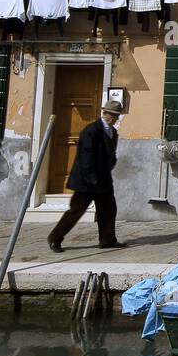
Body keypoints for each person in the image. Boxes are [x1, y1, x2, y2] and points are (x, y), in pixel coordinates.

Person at [48, 100, 127, 252]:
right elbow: (86, 156)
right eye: (113, 115)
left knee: (109, 209)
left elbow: (111, 154)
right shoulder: (91, 130)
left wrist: (111, 164)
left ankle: (107, 240)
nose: (115, 118)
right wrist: (91, 178)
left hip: (103, 180)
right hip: (86, 181)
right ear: (105, 113)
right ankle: (55, 238)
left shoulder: (113, 133)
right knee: (76, 211)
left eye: (117, 115)